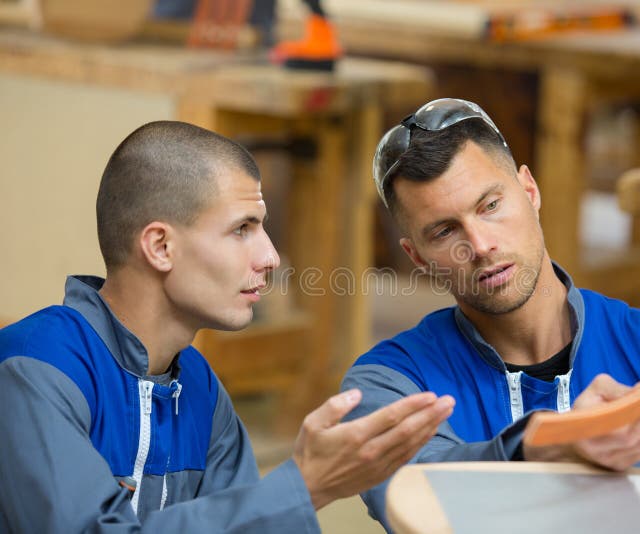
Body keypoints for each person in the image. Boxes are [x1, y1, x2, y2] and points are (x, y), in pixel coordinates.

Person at [0, 121, 455, 532]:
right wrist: (306, 486)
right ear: (160, 246)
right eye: (242, 229)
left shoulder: (199, 388)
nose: (270, 257)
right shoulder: (33, 368)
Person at [341, 98, 640, 529]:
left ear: (530, 191)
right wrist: (544, 448)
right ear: (417, 257)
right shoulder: (386, 384)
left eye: (490, 205)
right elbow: (414, 499)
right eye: (444, 230)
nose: (481, 244)